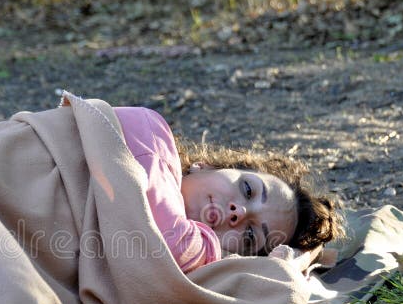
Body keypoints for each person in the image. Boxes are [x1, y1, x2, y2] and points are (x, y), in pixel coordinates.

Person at [114, 106, 344, 274]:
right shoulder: (151, 134)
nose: (239, 213)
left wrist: (295, 259)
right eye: (247, 189)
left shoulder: (174, 273)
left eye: (250, 235)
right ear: (206, 166)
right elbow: (173, 247)